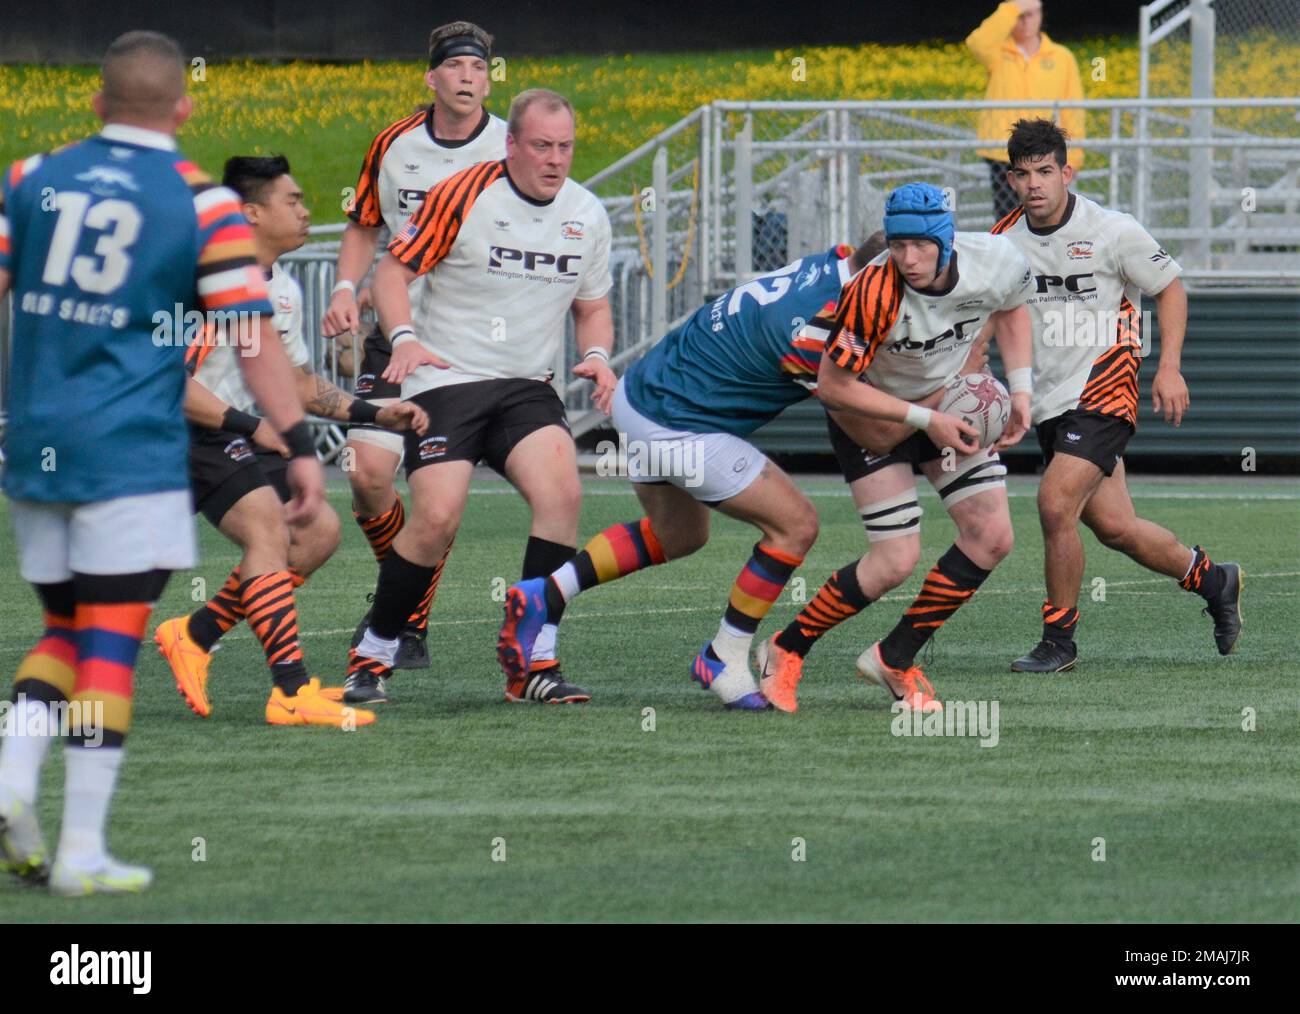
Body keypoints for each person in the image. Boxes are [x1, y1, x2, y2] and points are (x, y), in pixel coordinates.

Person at [0, 32, 324, 896]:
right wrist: (295, 446)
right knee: (106, 637)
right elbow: (252, 339)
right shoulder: (203, 204)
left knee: (63, 628)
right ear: (183, 109)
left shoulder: (29, 178)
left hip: (36, 442)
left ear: (96, 104)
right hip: (132, 450)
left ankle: (11, 781)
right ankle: (80, 851)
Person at [344, 88, 617, 706]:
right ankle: (375, 653)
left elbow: (594, 307)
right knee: (437, 517)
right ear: (512, 144)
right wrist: (406, 338)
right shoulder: (462, 194)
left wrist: (597, 356)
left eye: (566, 147)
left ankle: (532, 659)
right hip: (446, 379)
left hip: (525, 386)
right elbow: (391, 271)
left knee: (562, 494)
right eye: (542, 145)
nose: (555, 159)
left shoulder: (588, 213)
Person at [153, 155, 427, 724]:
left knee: (320, 532)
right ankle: (291, 691)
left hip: (235, 432)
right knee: (269, 529)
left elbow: (298, 383)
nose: (307, 212)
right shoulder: (192, 278)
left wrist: (377, 414)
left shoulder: (283, 290)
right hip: (176, 429)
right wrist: (252, 427)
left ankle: (194, 633)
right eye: (293, 201)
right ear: (249, 213)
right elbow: (161, 381)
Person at [762, 182, 1034, 713]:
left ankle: (895, 656)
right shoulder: (872, 290)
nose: (907, 258)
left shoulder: (997, 261)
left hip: (944, 404)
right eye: (897, 244)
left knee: (992, 535)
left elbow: (1014, 307)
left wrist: (1021, 389)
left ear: (947, 240)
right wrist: (924, 418)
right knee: (894, 560)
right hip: (871, 416)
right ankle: (786, 647)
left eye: (921, 246)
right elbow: (835, 385)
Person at [992, 118, 1242, 672]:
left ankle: (1059, 643)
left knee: (1055, 503)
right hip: (1053, 402)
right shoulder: (1002, 243)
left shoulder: (1111, 229)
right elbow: (988, 316)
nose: (1036, 184)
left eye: (1046, 171)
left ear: (1067, 172)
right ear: (1011, 179)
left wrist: (1169, 367)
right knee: (1116, 528)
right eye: (1025, 174)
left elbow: (1170, 288)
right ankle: (1214, 580)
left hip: (1106, 387)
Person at [321, 20, 508, 672]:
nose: (467, 78)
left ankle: (406, 618)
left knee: (439, 503)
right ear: (431, 77)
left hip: (471, 347)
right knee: (366, 476)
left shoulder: (510, 146)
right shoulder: (393, 144)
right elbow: (362, 226)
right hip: (394, 339)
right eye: (455, 67)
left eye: (478, 69)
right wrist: (348, 286)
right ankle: (412, 607)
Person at [966, 0, 1085, 221]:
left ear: (1041, 15)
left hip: (1047, 150)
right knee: (1010, 218)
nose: (1025, 20)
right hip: (1003, 151)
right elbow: (976, 43)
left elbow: (1073, 108)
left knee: (1048, 215)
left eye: (1031, 14)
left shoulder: (1061, 57)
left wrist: (1075, 156)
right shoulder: (999, 53)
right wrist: (1012, 8)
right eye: (1020, 15)